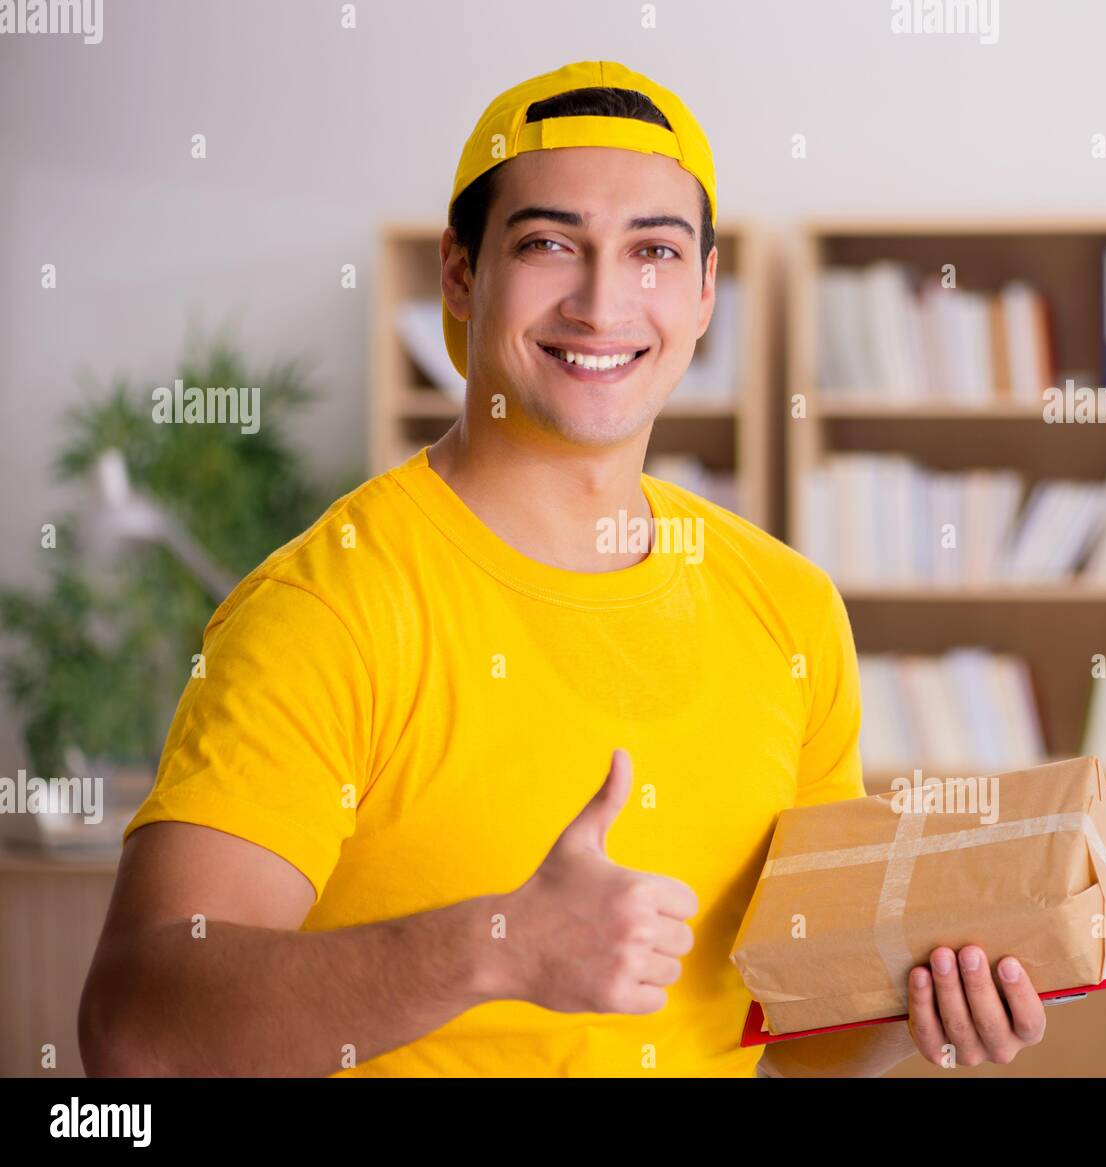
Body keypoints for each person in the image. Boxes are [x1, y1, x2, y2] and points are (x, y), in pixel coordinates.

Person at [78, 59, 1045, 1078]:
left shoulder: (789, 609)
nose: (601, 301)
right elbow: (138, 1033)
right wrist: (495, 946)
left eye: (654, 251)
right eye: (548, 243)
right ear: (459, 272)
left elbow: (801, 1043)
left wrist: (927, 1007)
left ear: (706, 290)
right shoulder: (325, 609)